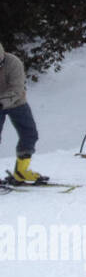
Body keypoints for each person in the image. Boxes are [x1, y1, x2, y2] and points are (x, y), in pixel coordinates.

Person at [0, 42, 44, 184]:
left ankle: (21, 171)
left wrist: (1, 102)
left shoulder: (13, 63)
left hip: (17, 102)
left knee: (29, 133)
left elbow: (17, 89)